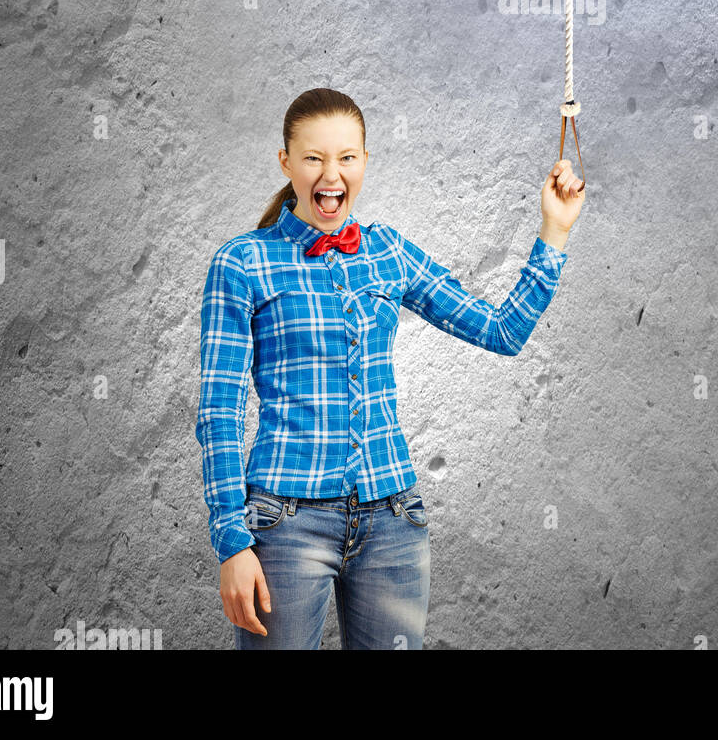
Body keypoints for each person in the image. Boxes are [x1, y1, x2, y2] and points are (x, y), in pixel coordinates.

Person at [195, 86, 584, 649]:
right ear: (286, 162)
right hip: (285, 525)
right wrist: (231, 541)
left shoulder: (389, 251)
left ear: (364, 163)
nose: (332, 173)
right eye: (314, 158)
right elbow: (218, 411)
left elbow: (503, 331)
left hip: (393, 522)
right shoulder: (242, 262)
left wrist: (555, 230)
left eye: (347, 157)